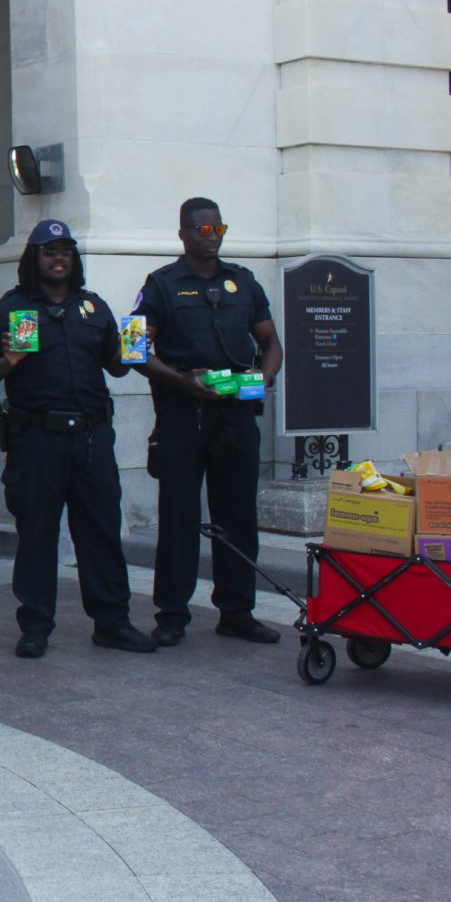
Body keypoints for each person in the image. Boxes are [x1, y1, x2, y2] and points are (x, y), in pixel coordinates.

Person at [0, 221, 156, 658]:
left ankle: (112, 622)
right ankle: (35, 626)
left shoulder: (94, 308)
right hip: (37, 438)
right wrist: (9, 361)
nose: (58, 259)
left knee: (101, 533)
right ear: (33, 260)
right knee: (37, 534)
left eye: (65, 252)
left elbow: (116, 366)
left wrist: (137, 347)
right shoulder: (12, 309)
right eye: (49, 251)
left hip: (92, 437)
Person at [134, 198, 285, 646]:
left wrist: (266, 375)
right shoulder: (160, 285)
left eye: (218, 228)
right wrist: (182, 380)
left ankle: (237, 611)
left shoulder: (244, 282)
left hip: (236, 415)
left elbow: (272, 342)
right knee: (179, 516)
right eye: (203, 230)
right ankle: (172, 615)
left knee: (237, 515)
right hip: (185, 415)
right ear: (183, 234)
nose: (213, 236)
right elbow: (132, 350)